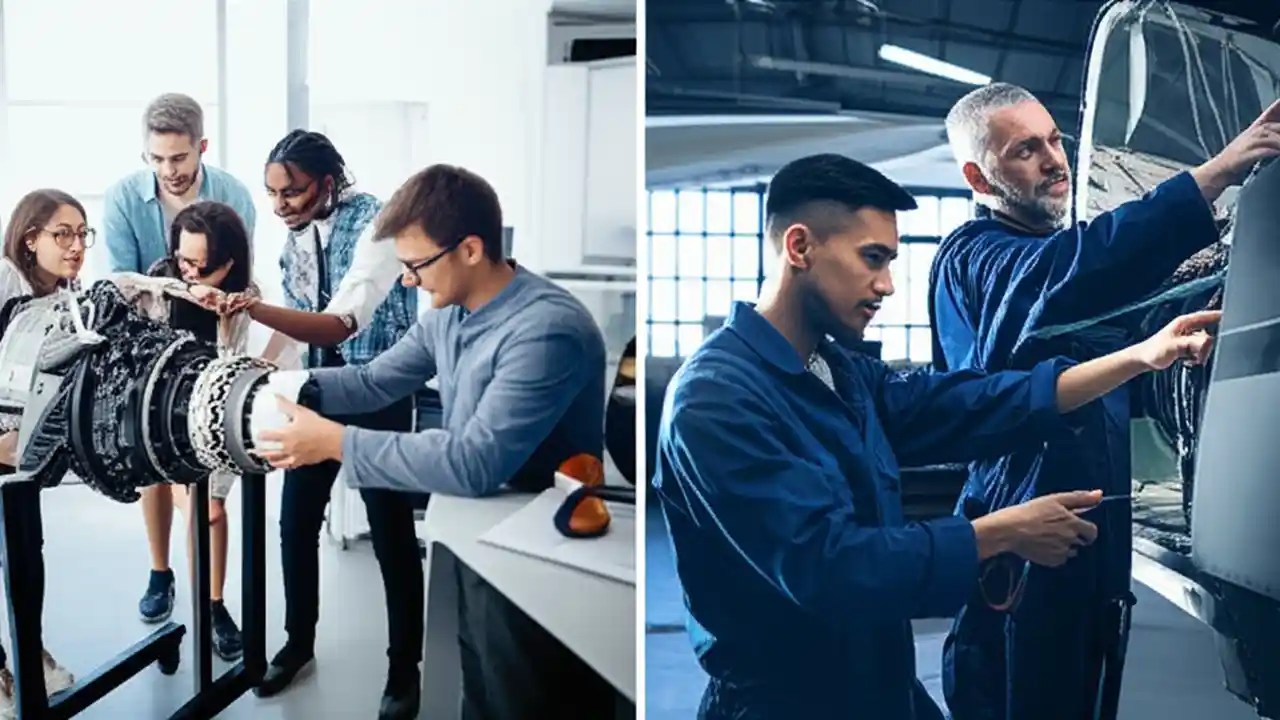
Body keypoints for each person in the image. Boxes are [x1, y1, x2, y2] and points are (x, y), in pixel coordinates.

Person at [651, 154, 1222, 720]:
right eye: (872, 259)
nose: (887, 286)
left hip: (877, 684)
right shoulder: (718, 398)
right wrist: (999, 533)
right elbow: (831, 569)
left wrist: (1140, 357)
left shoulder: (834, 371)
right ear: (799, 248)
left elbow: (965, 403)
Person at [929, 83, 1280, 720]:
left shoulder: (1060, 275)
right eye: (1024, 150)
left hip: (1086, 533)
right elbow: (1071, 273)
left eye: (1054, 140)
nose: (1052, 159)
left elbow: (1121, 322)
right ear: (979, 177)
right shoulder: (977, 258)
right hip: (1024, 526)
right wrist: (1213, 175)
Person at [252, 163, 617, 720]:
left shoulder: (547, 329)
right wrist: (275, 385)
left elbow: (476, 461)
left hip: (541, 556)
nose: (408, 280)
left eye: (416, 264)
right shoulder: (447, 316)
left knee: (528, 695)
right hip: (476, 535)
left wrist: (336, 444)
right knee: (480, 687)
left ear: (470, 249)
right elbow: (374, 381)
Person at [224, 130, 424, 720]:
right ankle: (299, 644)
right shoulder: (296, 239)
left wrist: (249, 306)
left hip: (380, 392)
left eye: (293, 192)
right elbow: (301, 323)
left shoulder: (380, 224)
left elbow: (341, 322)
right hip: (316, 392)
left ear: (328, 183)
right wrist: (260, 365)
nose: (281, 204)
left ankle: (402, 670)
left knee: (391, 536)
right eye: (272, 194)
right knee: (294, 525)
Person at [100, 92, 258, 627]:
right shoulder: (123, 197)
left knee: (211, 503)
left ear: (201, 148)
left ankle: (213, 605)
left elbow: (241, 277)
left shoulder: (234, 195)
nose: (169, 170)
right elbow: (122, 287)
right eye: (157, 159)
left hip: (214, 353)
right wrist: (179, 287)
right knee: (153, 477)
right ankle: (160, 572)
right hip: (150, 350)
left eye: (179, 158)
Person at [0, 189, 91, 713]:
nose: (76, 245)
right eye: (63, 234)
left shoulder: (59, 294)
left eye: (82, 234)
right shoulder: (6, 280)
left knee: (24, 549)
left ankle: (29, 654)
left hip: (17, 447)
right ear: (30, 237)